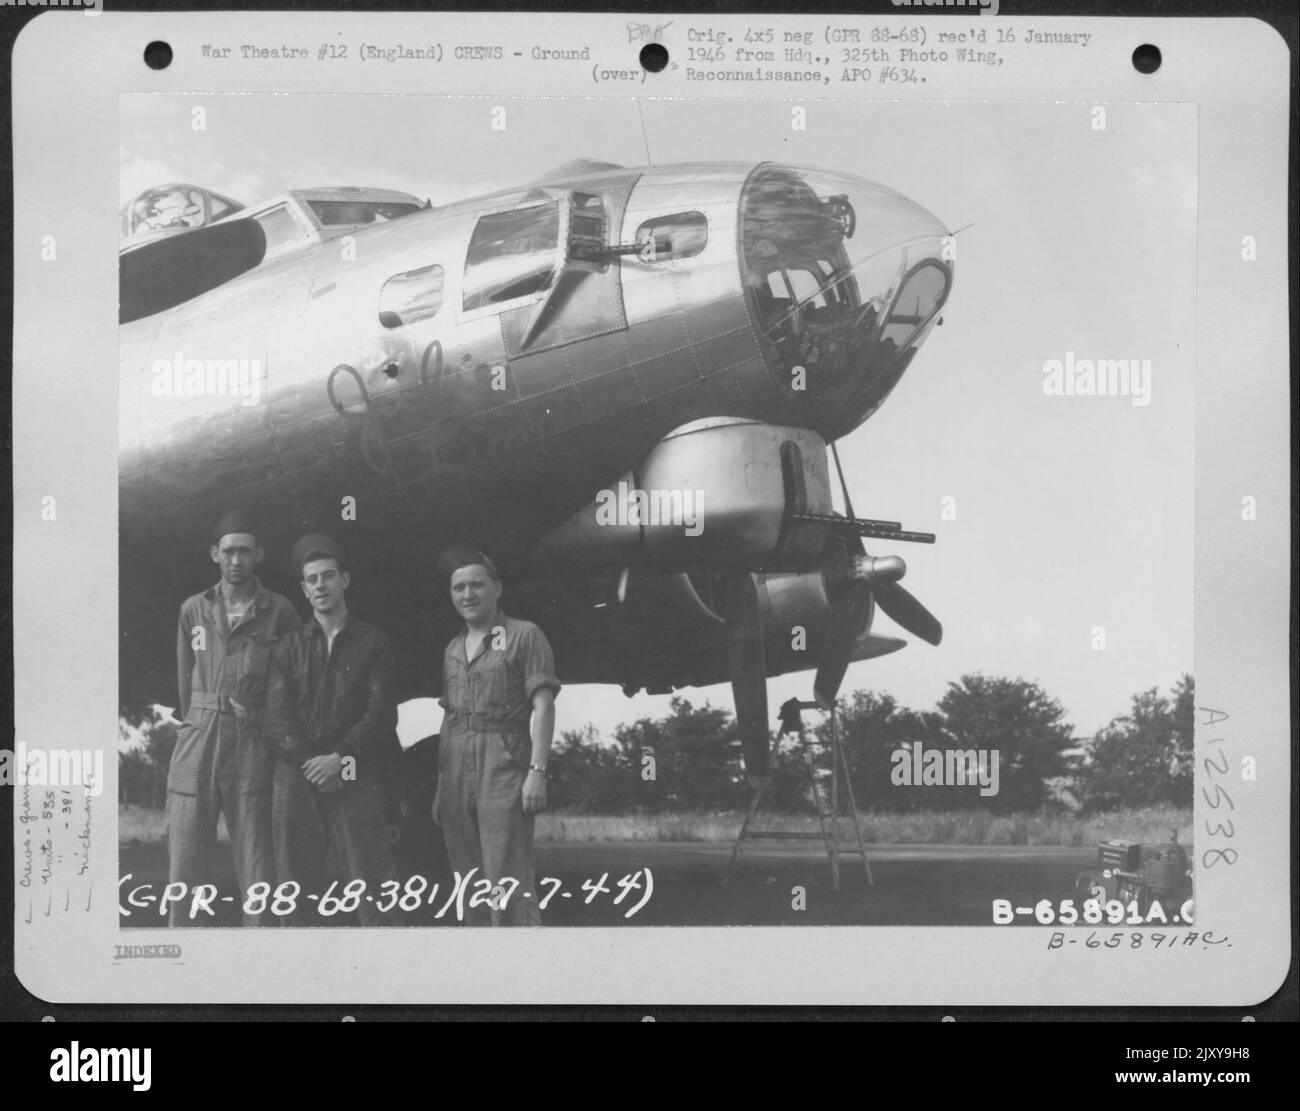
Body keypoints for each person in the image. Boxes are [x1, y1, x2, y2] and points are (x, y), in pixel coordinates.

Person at [168, 509, 300, 927]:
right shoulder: (193, 610)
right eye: (228, 551)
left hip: (252, 737)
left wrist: (260, 721)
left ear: (259, 554)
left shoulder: (281, 612)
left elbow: (293, 687)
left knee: (256, 857)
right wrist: (196, 723)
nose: (236, 560)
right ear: (214, 554)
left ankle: (260, 960)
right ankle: (183, 954)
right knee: (185, 855)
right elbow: (184, 679)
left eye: (244, 551)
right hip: (200, 733)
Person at [265, 534, 399, 926]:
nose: (320, 585)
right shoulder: (287, 648)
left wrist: (339, 759)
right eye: (312, 579)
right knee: (294, 895)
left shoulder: (374, 643)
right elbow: (276, 718)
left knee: (374, 892)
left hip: (355, 773)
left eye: (328, 576)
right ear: (304, 590)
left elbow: (380, 713)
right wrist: (312, 764)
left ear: (345, 580)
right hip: (297, 778)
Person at [435, 550, 559, 926]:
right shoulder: (453, 649)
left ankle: (521, 972)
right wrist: (442, 786)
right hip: (456, 771)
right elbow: (450, 718)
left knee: (507, 877)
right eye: (459, 587)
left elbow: (544, 706)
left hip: (504, 765)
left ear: (497, 588)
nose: (467, 594)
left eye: (476, 584)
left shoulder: (525, 635)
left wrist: (537, 771)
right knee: (469, 878)